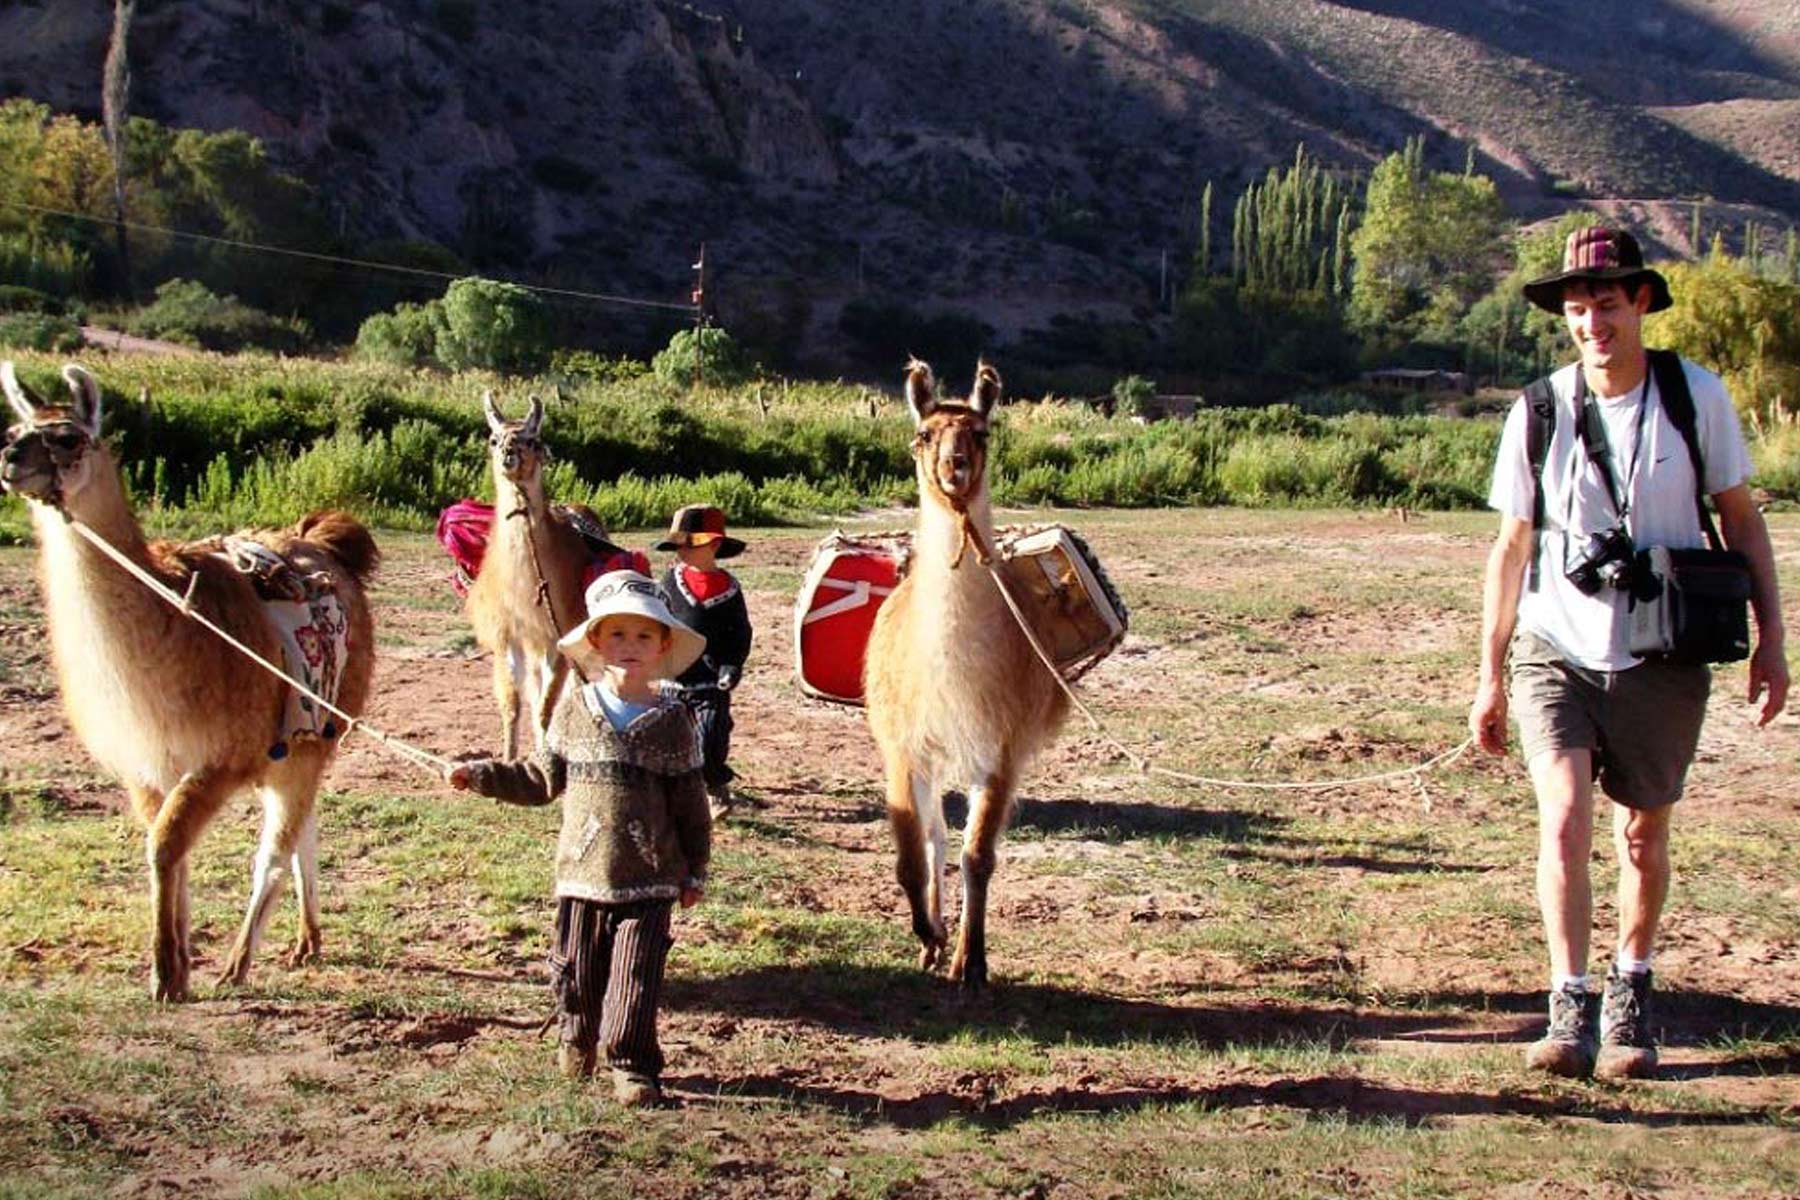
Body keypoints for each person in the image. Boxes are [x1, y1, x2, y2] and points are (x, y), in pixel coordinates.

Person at [1469, 226, 1789, 1080]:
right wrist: (1487, 675)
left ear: (1640, 302)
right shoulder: (1537, 410)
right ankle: (1567, 1002)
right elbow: (1511, 546)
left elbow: (1743, 519)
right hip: (1556, 648)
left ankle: (1632, 990)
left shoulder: (1695, 398)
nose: (1592, 323)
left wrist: (1773, 639)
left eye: (1607, 305)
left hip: (1664, 650)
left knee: (1643, 833)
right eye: (1577, 309)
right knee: (1565, 817)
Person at [446, 570, 711, 1106]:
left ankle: (633, 1067)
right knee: (578, 973)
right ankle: (576, 1039)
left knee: (636, 977)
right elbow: (540, 778)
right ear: (595, 642)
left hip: (651, 879)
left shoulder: (674, 723)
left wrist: (694, 870)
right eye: (616, 635)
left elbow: (691, 806)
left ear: (663, 645)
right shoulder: (573, 711)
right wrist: (479, 775)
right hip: (581, 876)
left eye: (643, 636)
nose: (629, 648)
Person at [654, 504, 755, 820]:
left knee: (712, 733)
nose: (681, 551)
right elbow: (654, 621)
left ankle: (714, 787)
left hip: (710, 680)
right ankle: (667, 793)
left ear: (713, 544)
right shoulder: (669, 582)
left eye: (689, 544)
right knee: (666, 740)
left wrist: (732, 665)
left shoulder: (729, 590)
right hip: (671, 678)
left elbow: (740, 634)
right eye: (678, 545)